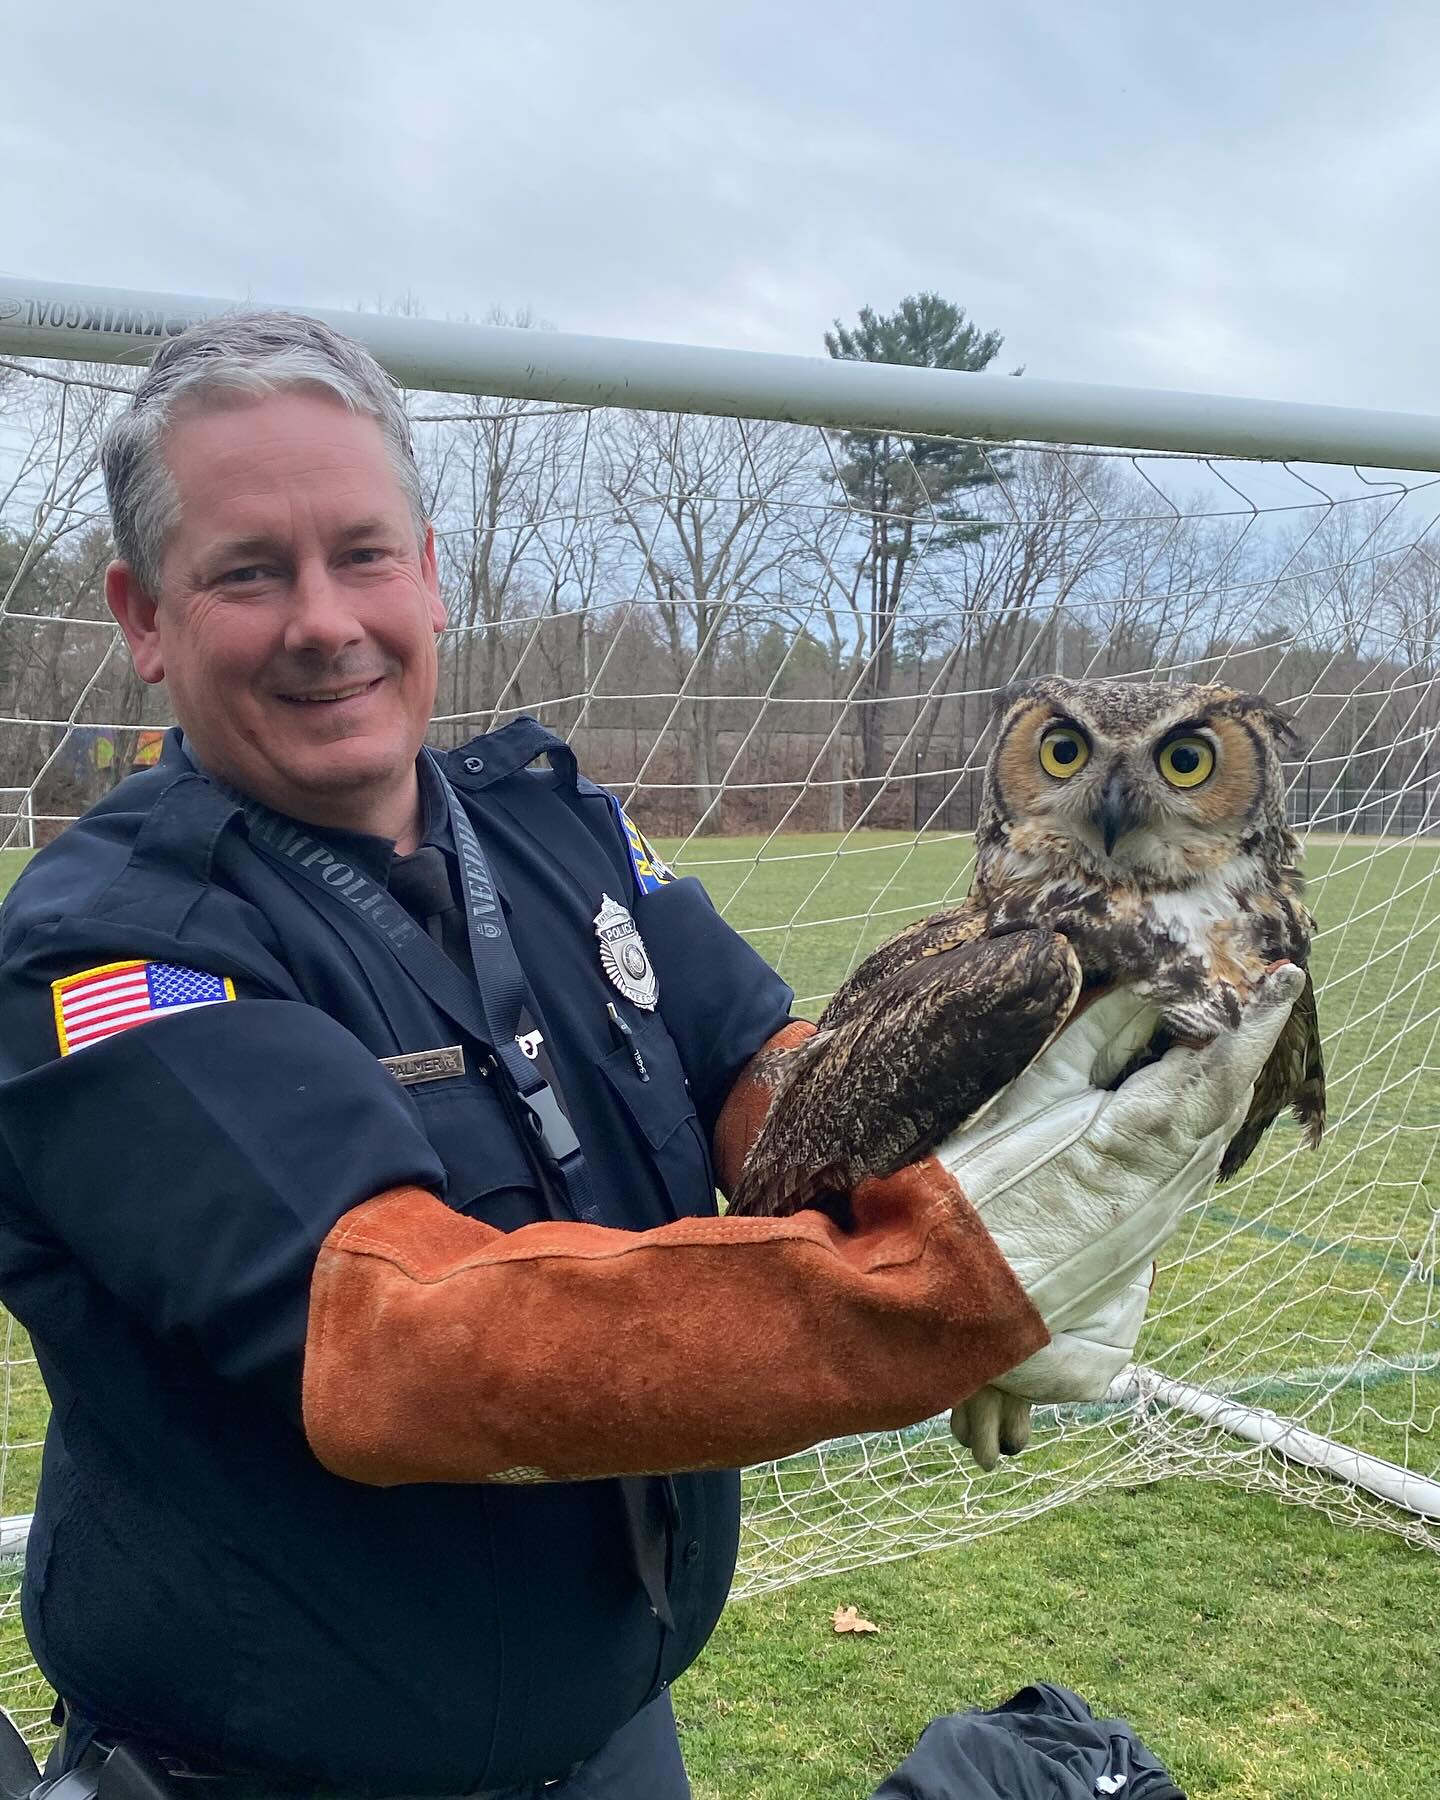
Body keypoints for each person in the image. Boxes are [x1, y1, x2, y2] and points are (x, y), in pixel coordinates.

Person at [0, 314, 1300, 1800]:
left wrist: (972, 1155)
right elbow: (396, 1347)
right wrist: (940, 1283)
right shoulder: (106, 949)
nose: (323, 619)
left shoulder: (559, 830)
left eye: (362, 553)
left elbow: (774, 1082)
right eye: (248, 570)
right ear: (142, 613)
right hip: (265, 1774)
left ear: (427, 569)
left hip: (613, 1735)